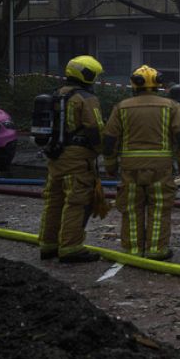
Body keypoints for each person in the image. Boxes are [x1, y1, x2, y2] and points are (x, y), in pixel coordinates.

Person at [102, 65, 180, 260]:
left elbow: (109, 140)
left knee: (132, 209)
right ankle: (157, 250)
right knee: (159, 208)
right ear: (158, 85)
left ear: (134, 85)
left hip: (130, 169)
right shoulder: (171, 106)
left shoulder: (121, 107)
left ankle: (133, 251)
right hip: (161, 168)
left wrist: (110, 167)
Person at [37, 56, 106, 263]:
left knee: (54, 200)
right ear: (87, 74)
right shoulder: (86, 98)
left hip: (56, 156)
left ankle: (48, 245)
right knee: (77, 201)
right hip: (77, 158)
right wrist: (103, 150)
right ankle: (70, 247)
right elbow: (95, 128)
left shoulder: (57, 95)